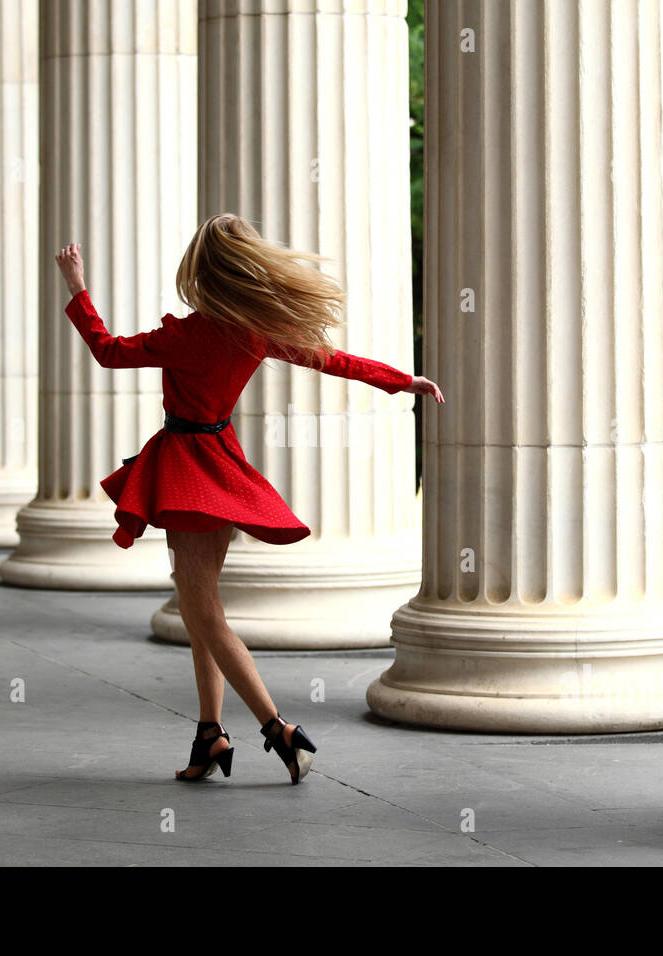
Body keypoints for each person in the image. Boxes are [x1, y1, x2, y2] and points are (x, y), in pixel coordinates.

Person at [54, 213, 444, 785]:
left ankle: (278, 728)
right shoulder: (252, 333)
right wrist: (400, 380)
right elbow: (332, 360)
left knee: (205, 614)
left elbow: (108, 351)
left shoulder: (186, 335)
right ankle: (209, 733)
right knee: (200, 609)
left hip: (187, 473)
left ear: (202, 272)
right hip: (222, 463)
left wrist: (77, 288)